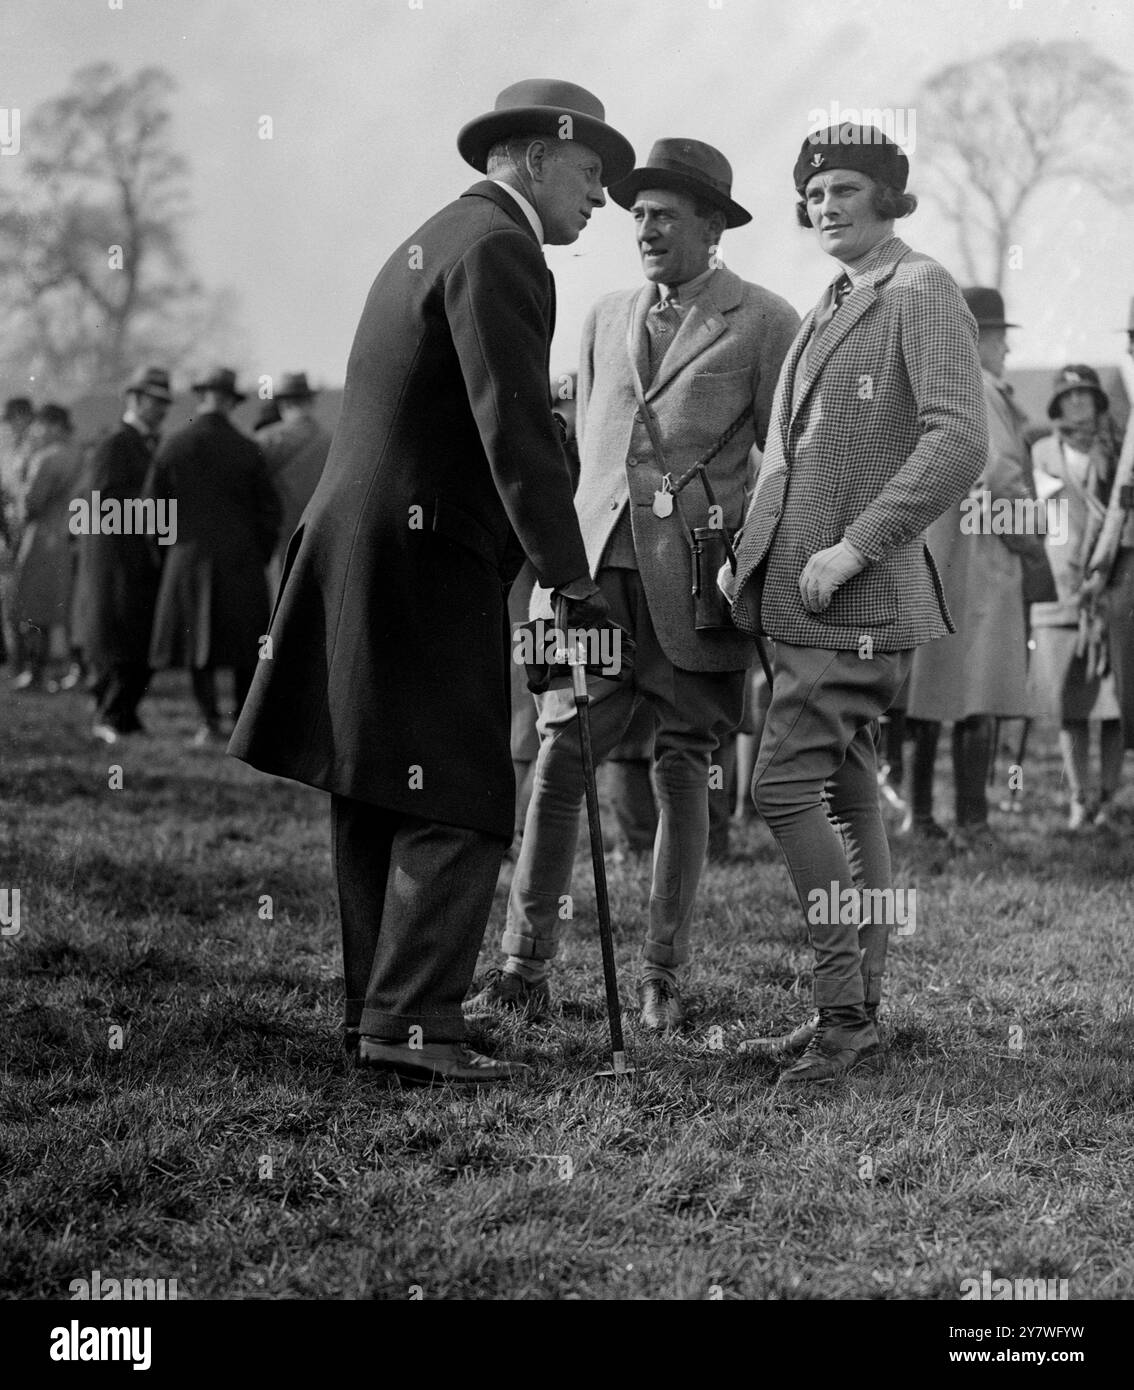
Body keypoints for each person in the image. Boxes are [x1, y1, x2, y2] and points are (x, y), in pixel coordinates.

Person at [229, 80, 634, 1085]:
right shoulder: (500, 247)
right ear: (534, 159)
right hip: (420, 554)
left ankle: (387, 1014)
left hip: (362, 547)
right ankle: (412, 1026)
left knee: (377, 784)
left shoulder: (440, 236)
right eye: (591, 174)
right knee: (457, 791)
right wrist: (569, 574)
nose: (602, 199)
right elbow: (514, 429)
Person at [472, 137, 799, 1030]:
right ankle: (520, 968)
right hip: (585, 579)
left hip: (700, 586)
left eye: (664, 215)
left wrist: (748, 556)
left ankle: (663, 973)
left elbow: (787, 457)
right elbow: (583, 451)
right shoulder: (602, 313)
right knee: (556, 761)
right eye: (637, 215)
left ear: (711, 226)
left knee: (684, 769)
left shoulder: (766, 320)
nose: (644, 229)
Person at [725, 121, 986, 1082]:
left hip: (855, 600)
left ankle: (844, 1020)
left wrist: (854, 545)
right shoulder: (834, 298)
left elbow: (961, 443)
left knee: (782, 789)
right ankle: (859, 1009)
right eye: (816, 193)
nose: (826, 207)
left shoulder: (920, 289)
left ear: (888, 198)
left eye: (844, 189)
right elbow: (793, 459)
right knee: (845, 793)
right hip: (802, 603)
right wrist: (750, 555)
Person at [903, 287, 1039, 844]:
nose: (1006, 349)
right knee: (979, 694)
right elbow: (1003, 474)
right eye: (1000, 338)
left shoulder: (938, 385)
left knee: (931, 695)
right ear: (976, 339)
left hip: (941, 558)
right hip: (981, 561)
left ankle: (923, 817)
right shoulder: (982, 390)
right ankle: (973, 820)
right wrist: (1030, 535)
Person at [147, 367, 281, 746]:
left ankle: (209, 720)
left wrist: (165, 553)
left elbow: (152, 510)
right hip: (240, 560)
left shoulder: (173, 446)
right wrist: (258, 551)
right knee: (242, 643)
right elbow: (270, 512)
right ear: (230, 402)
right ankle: (240, 719)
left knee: (196, 643)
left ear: (201, 396)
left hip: (187, 559)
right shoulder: (247, 448)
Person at [1031, 365, 1125, 828]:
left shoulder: (1118, 448)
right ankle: (1077, 799)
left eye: (1085, 395)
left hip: (1108, 589)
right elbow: (1034, 520)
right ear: (1056, 404)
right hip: (1060, 590)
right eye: (1068, 396)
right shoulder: (1042, 450)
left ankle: (1107, 799)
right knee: (1071, 707)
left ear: (1098, 401)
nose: (1077, 404)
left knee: (1112, 705)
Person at [77, 366, 173, 743]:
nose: (161, 409)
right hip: (116, 560)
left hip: (140, 557)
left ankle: (125, 715)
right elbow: (101, 501)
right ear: (134, 399)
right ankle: (110, 715)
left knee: (138, 640)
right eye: (155, 402)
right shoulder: (116, 443)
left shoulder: (150, 443)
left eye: (165, 403)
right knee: (118, 641)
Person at [12, 404, 81, 691]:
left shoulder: (45, 458)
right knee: (67, 610)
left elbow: (30, 505)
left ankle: (35, 671)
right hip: (73, 536)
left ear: (53, 425)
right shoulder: (81, 454)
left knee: (33, 606)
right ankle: (77, 670)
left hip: (42, 539)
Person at [256, 372, 332, 590]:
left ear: (282, 404)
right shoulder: (332, 441)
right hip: (320, 537)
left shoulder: (266, 441)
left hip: (280, 537)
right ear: (310, 402)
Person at [1, 398, 36, 676]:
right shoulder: (11, 449)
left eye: (13, 419)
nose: (11, 426)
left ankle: (29, 664)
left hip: (29, 531)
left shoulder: (34, 448)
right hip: (12, 530)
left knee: (27, 601)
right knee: (12, 601)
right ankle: (16, 662)